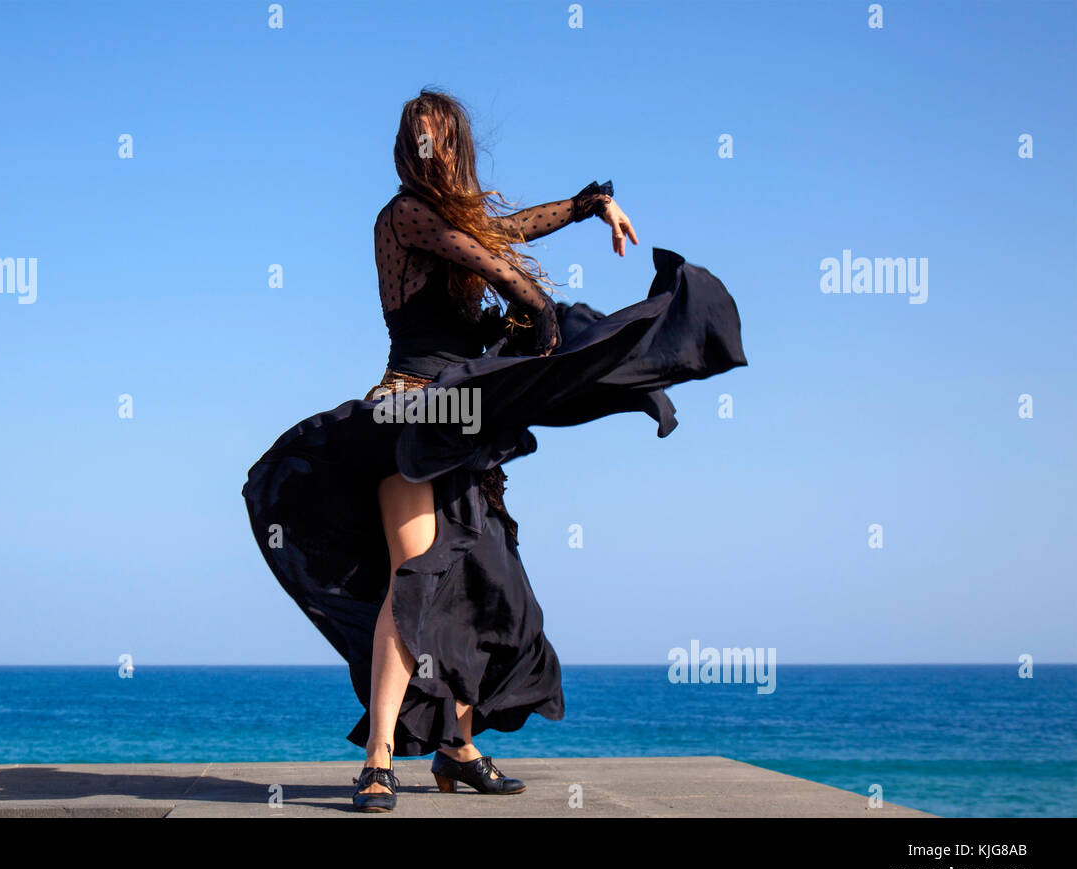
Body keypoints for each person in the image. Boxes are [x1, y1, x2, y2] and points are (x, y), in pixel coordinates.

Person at [242, 88, 748, 812]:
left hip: (464, 419)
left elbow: (504, 232)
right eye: (414, 139)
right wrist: (540, 317)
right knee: (416, 577)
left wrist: (588, 205)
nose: (426, 150)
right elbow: (497, 261)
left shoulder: (458, 218)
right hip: (411, 418)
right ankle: (379, 759)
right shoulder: (403, 215)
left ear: (455, 145)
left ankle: (457, 748)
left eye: (437, 138)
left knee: (490, 590)